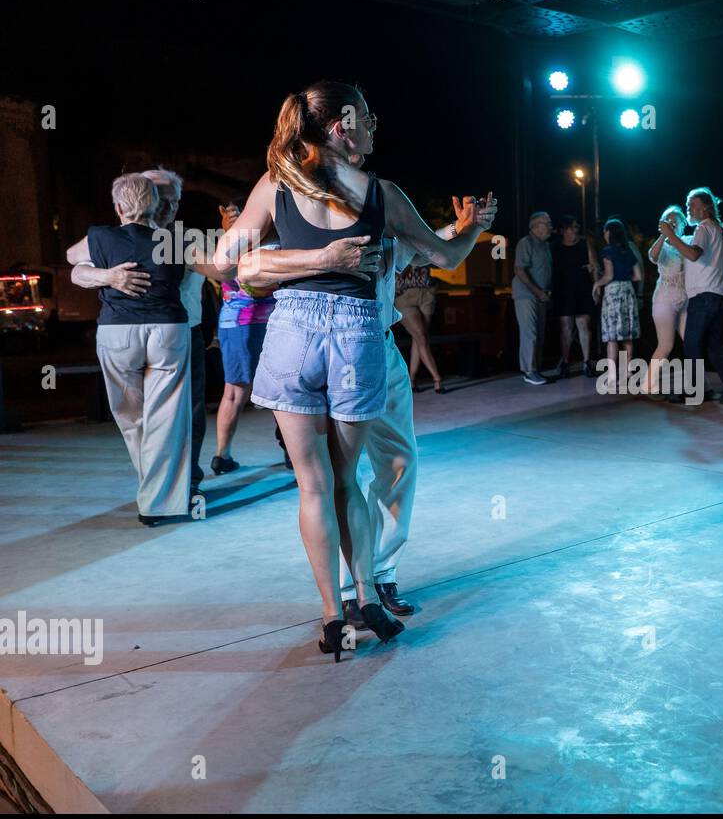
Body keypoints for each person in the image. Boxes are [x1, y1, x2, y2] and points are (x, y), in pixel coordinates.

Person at [212, 81, 487, 660]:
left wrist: (302, 261)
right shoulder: (383, 194)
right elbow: (446, 256)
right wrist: (472, 228)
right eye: (368, 116)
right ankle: (366, 597)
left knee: (311, 487)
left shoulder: (275, 185)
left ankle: (333, 618)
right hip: (358, 333)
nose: (375, 124)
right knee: (346, 480)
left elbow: (224, 264)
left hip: (291, 332)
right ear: (342, 124)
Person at [66, 174, 192, 525]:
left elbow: (73, 261)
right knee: (166, 418)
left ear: (119, 206)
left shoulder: (101, 237)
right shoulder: (174, 240)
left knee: (130, 417)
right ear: (155, 205)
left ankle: (151, 490)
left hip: (117, 332)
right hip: (168, 329)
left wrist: (108, 276)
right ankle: (158, 500)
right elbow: (218, 266)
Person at [140, 167, 221, 497]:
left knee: (190, 412)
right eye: (160, 200)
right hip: (141, 336)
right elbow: (77, 258)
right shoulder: (127, 237)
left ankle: (187, 481)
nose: (167, 208)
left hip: (187, 332)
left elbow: (219, 270)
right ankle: (159, 484)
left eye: (174, 201)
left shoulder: (188, 238)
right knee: (151, 416)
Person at [659, 187, 723, 403]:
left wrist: (670, 234)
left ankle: (694, 391)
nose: (688, 208)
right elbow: (708, 245)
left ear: (705, 207)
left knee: (692, 344)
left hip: (704, 297)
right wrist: (675, 240)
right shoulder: (716, 229)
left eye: (692, 204)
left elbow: (693, 254)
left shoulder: (703, 227)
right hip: (719, 296)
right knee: (714, 345)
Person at [211, 200, 278, 472]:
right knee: (276, 390)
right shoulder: (264, 240)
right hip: (254, 322)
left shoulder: (225, 244)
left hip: (237, 323)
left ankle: (222, 456)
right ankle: (222, 455)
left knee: (236, 392)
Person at [591, 217, 642, 389]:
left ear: (610, 232)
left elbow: (609, 276)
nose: (604, 233)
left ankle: (612, 376)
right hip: (628, 291)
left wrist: (596, 284)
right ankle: (628, 372)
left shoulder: (608, 251)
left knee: (612, 337)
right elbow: (638, 276)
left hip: (613, 293)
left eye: (605, 230)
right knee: (627, 336)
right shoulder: (628, 250)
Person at [547, 214, 600, 378]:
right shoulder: (554, 247)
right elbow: (548, 269)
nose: (574, 231)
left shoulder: (585, 244)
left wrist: (596, 287)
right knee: (565, 327)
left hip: (583, 288)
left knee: (584, 325)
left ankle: (586, 362)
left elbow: (594, 265)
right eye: (571, 228)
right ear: (563, 230)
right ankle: (565, 362)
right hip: (563, 291)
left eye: (576, 227)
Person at [647, 205, 689, 395]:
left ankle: (697, 384)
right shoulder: (662, 245)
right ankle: (648, 384)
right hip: (664, 300)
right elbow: (652, 257)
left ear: (683, 224)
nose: (673, 223)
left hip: (685, 301)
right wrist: (664, 235)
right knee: (666, 345)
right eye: (669, 221)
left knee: (692, 341)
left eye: (676, 221)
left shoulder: (687, 241)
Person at [514, 211, 553, 385]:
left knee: (539, 333)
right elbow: (519, 270)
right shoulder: (526, 243)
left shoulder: (545, 245)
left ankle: (535, 368)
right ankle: (529, 371)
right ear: (535, 226)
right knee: (530, 333)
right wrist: (538, 292)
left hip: (541, 295)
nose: (551, 227)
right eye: (547, 223)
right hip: (526, 295)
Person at [394, 255, 444, 392]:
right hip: (405, 297)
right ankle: (437, 378)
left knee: (419, 339)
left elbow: (442, 262)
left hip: (426, 295)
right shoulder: (396, 242)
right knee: (421, 337)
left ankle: (411, 380)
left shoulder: (423, 242)